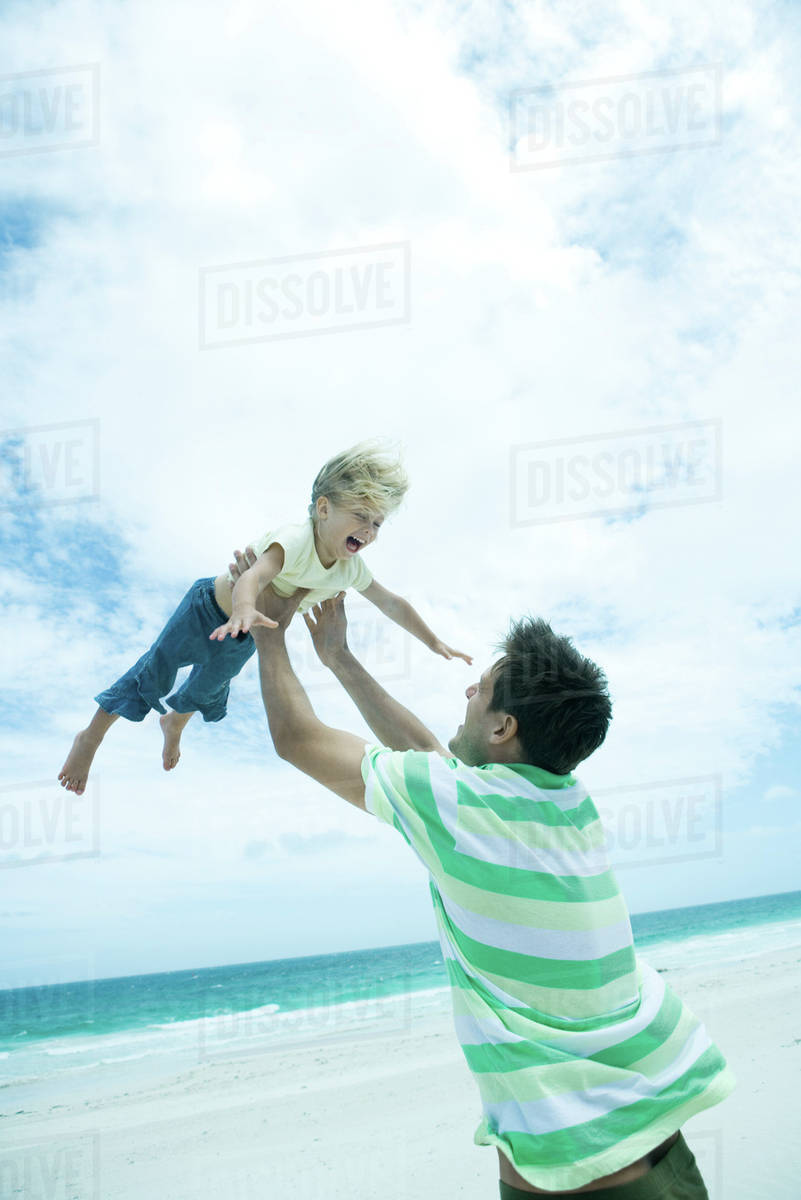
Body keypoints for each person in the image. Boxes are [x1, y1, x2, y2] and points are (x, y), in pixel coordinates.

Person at [241, 558, 735, 1198]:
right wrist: (340, 660)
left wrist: (269, 634)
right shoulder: (569, 801)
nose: (466, 694)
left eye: (477, 688)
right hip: (665, 1151)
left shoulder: (458, 810)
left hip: (582, 1185)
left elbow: (298, 739)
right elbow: (438, 766)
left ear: (504, 727)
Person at [57, 441, 471, 797]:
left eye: (377, 522)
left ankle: (175, 722)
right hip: (209, 611)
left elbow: (391, 603)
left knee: (208, 687)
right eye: (361, 515)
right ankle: (90, 737)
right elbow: (253, 575)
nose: (369, 530)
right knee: (155, 673)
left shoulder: (350, 570)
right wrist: (242, 609)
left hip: (249, 633)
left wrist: (433, 640)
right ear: (323, 509)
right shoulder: (295, 539)